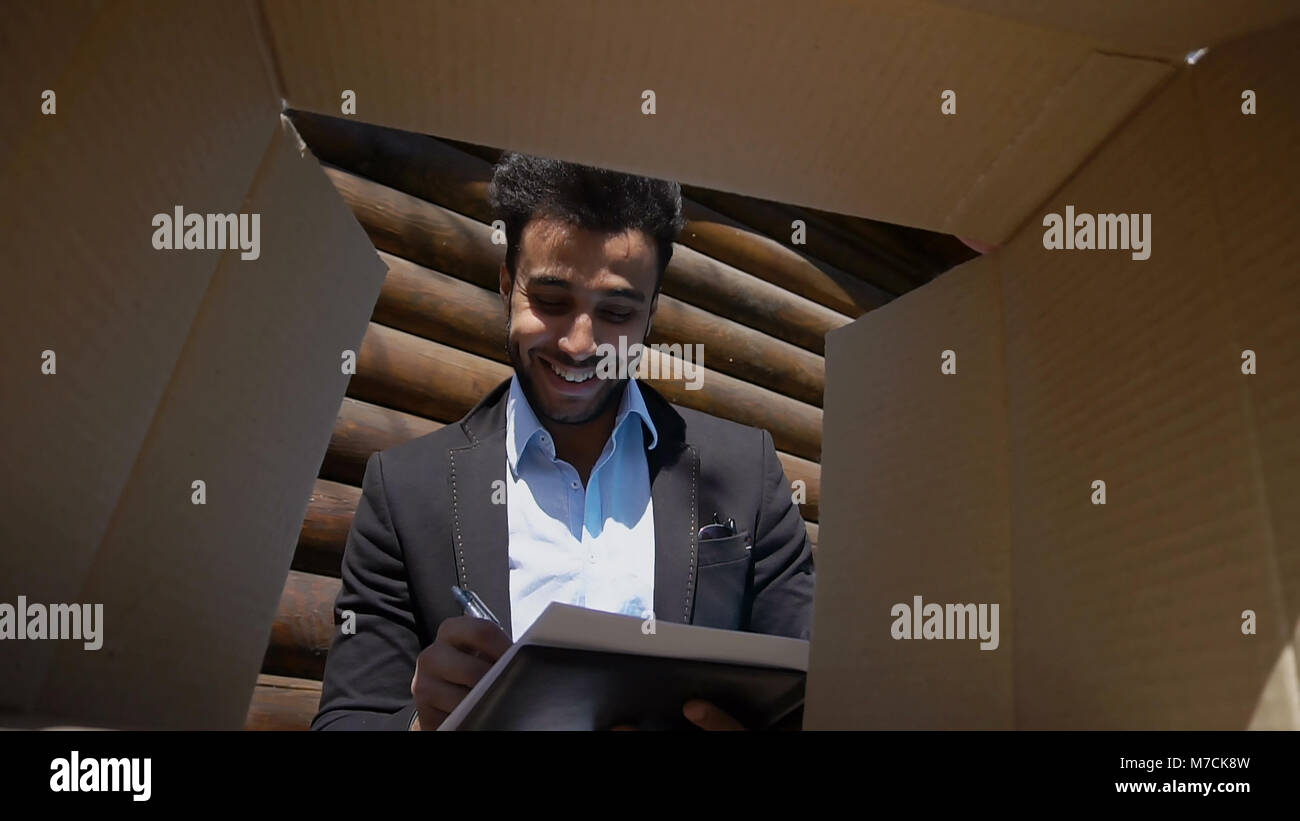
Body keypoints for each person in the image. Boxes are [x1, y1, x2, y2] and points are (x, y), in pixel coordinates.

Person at [312, 153, 815, 731]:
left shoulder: (747, 474)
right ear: (507, 286)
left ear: (651, 313)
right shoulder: (404, 492)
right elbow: (345, 721)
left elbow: (821, 701)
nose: (580, 344)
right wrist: (423, 725)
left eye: (617, 311)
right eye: (550, 301)